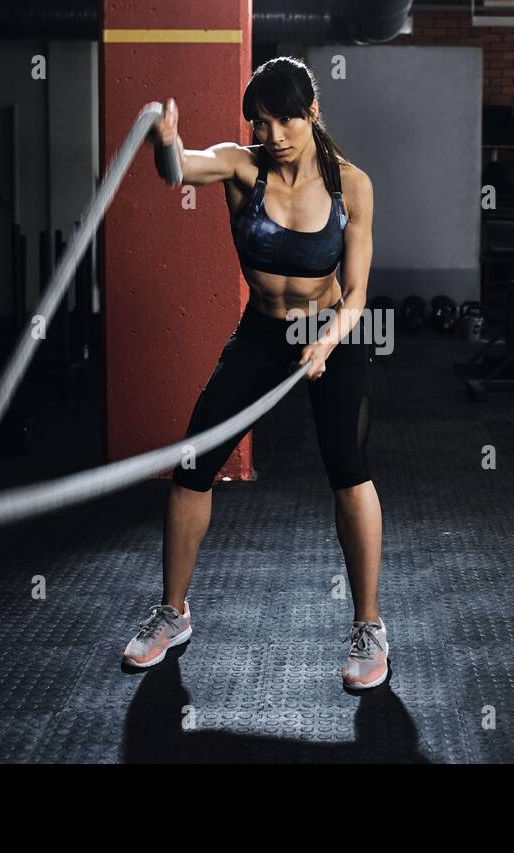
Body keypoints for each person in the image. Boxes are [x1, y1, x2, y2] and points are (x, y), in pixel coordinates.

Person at [122, 57, 388, 691]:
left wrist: (324, 342)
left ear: (312, 113)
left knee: (349, 470)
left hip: (331, 333)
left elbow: (356, 295)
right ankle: (173, 613)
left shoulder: (352, 186)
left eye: (286, 119)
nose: (273, 135)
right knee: (193, 463)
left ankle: (369, 626)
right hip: (264, 335)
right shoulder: (243, 168)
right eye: (262, 123)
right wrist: (166, 146)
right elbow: (182, 169)